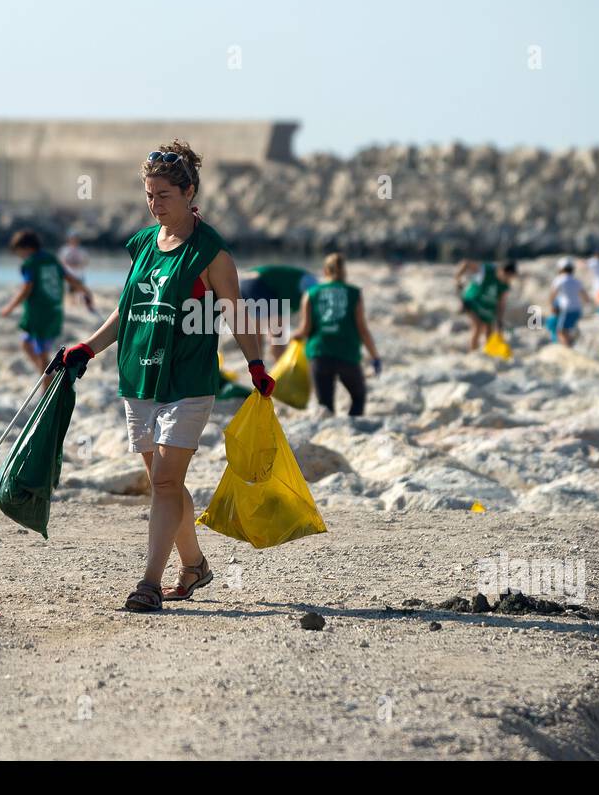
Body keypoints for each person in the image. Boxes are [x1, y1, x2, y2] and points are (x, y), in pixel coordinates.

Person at [60, 140, 274, 613]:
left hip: (187, 382)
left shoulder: (210, 252)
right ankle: (195, 566)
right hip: (138, 376)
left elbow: (237, 315)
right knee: (164, 482)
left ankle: (149, 583)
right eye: (149, 194)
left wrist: (256, 366)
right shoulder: (142, 244)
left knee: (164, 485)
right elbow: (127, 311)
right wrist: (86, 349)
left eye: (164, 195)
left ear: (189, 191)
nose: (155, 204)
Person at [291, 253, 380, 416]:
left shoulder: (311, 294)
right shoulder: (354, 293)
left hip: (320, 353)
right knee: (358, 396)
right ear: (344, 271)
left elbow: (304, 329)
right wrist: (375, 357)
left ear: (325, 271)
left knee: (325, 406)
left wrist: (292, 338)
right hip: (347, 354)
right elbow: (362, 329)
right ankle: (352, 428)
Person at [0, 229, 92, 386]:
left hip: (39, 312)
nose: (19, 256)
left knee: (42, 352)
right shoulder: (51, 259)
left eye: (19, 252)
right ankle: (48, 376)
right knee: (26, 344)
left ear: (27, 248)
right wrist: (85, 290)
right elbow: (69, 277)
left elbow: (27, 287)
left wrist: (10, 307)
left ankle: (46, 386)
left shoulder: (30, 263)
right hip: (54, 310)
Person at [240, 264, 317, 362]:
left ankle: (257, 367)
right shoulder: (308, 285)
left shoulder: (302, 279)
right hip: (259, 284)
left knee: (257, 332)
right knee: (277, 335)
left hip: (243, 282)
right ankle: (280, 364)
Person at [454, 259, 517, 352]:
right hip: (473, 301)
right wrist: (457, 278)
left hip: (487, 307)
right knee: (478, 328)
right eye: (506, 276)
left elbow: (501, 303)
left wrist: (499, 320)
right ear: (501, 270)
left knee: (490, 332)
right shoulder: (487, 270)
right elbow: (466, 263)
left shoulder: (505, 285)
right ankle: (473, 353)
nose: (506, 279)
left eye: (510, 277)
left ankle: (489, 353)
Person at [549, 259, 589, 347]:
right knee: (571, 329)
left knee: (561, 330)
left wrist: (552, 304)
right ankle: (570, 344)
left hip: (567, 308)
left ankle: (567, 347)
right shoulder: (576, 281)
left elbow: (553, 294)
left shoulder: (559, 279)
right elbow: (585, 296)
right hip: (577, 308)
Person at [58, 232, 96, 311]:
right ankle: (72, 304)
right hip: (69, 274)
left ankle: (81, 304)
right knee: (70, 290)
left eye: (75, 239)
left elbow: (86, 261)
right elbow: (61, 261)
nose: (74, 241)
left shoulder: (82, 250)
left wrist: (79, 265)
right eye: (72, 239)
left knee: (81, 290)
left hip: (79, 273)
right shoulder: (65, 250)